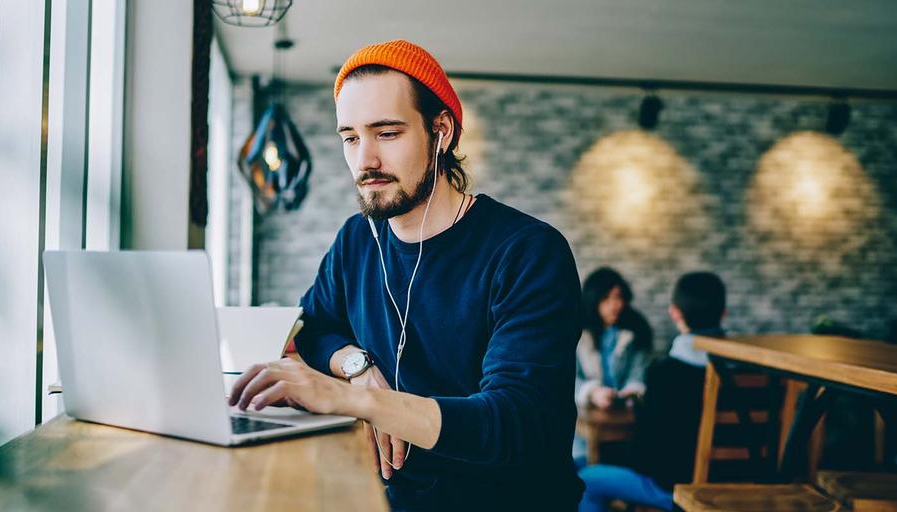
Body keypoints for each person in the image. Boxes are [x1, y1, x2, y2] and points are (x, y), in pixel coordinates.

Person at [228, 40, 584, 510]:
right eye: (350, 137)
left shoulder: (527, 252)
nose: (365, 160)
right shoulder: (357, 239)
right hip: (380, 496)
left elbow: (516, 422)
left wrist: (359, 401)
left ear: (441, 132)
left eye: (387, 133)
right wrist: (357, 367)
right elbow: (314, 328)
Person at [578, 272, 727, 512]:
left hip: (678, 491)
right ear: (723, 314)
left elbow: (646, 456)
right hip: (738, 486)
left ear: (674, 312)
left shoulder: (665, 374)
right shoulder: (752, 372)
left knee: (585, 481)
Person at [573, 268, 653, 466]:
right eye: (606, 298)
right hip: (583, 420)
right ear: (593, 300)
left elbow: (639, 373)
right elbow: (566, 378)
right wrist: (592, 392)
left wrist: (631, 391)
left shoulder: (635, 331)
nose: (614, 305)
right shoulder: (576, 333)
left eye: (618, 297)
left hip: (623, 419)